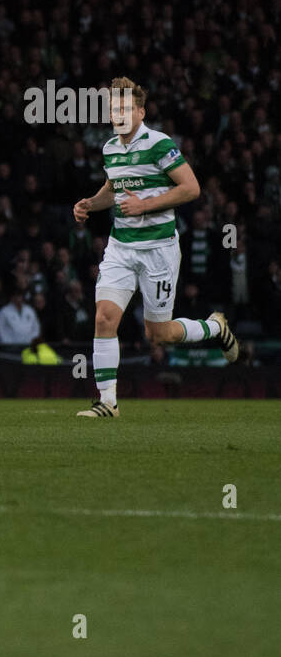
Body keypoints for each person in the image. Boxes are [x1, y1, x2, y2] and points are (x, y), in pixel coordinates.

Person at [72, 78, 239, 418]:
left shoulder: (160, 145)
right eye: (113, 108)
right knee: (104, 318)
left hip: (158, 250)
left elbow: (191, 188)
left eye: (124, 108)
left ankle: (215, 327)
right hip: (120, 247)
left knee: (158, 334)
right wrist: (90, 203)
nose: (118, 113)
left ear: (140, 112)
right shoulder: (110, 148)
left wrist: (146, 206)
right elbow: (113, 188)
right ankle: (108, 402)